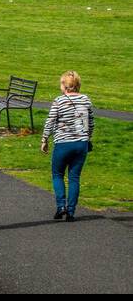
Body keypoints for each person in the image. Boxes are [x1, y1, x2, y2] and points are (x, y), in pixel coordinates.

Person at [41, 70, 94, 222]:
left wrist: (44, 139)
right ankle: (71, 211)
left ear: (64, 85)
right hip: (81, 144)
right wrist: (87, 137)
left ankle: (61, 206)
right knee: (74, 177)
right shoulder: (86, 100)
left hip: (63, 143)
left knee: (57, 174)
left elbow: (50, 121)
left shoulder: (59, 101)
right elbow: (91, 122)